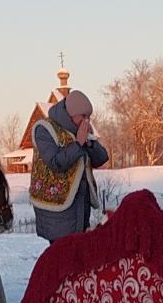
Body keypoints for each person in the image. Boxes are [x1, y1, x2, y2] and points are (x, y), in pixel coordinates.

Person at [30, 90, 109, 243]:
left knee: (78, 255)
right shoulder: (45, 130)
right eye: (83, 116)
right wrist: (78, 144)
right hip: (57, 211)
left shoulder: (79, 131)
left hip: (80, 207)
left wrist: (89, 142)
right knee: (62, 257)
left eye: (89, 117)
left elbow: (101, 159)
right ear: (72, 114)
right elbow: (55, 163)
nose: (87, 121)